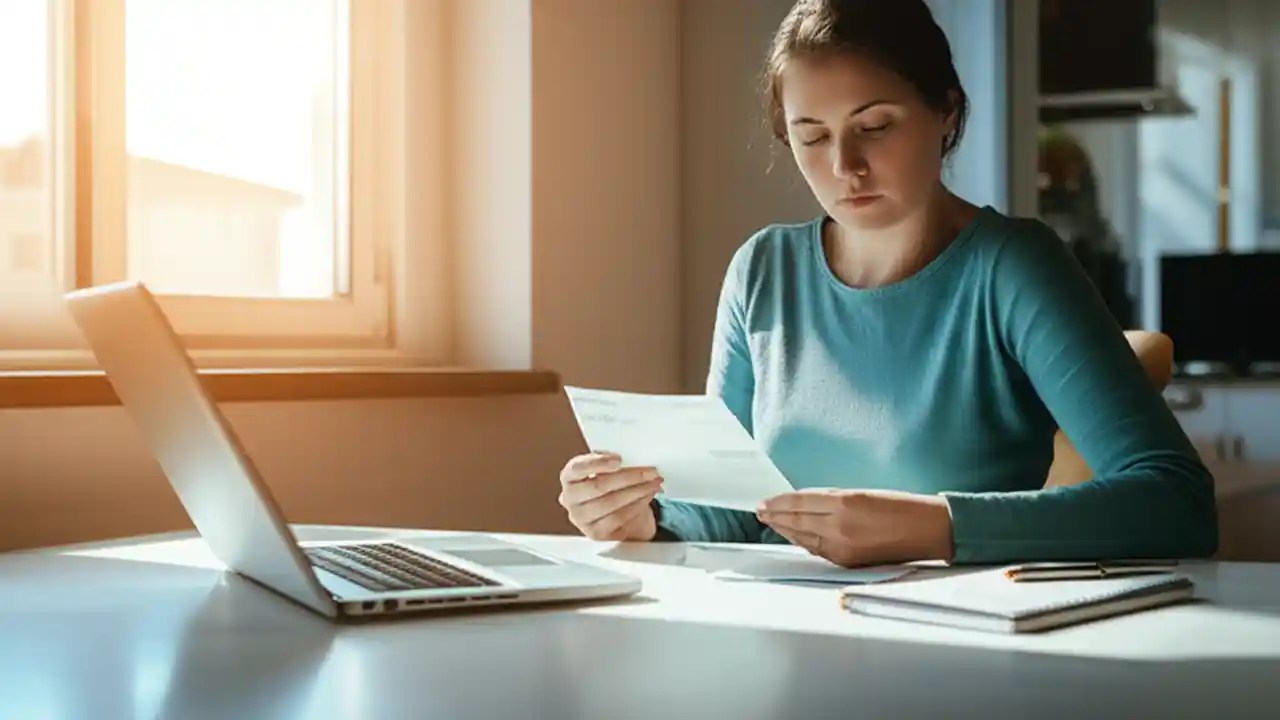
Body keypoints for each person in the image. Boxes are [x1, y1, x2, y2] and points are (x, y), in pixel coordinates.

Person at [556, 0, 1217, 567]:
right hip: (785, 639)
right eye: (810, 137)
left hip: (958, 648)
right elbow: (735, 512)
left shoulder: (1013, 267)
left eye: (874, 126)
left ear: (946, 113)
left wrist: (934, 527)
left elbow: (1177, 502)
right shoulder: (762, 272)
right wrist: (640, 519)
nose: (845, 166)